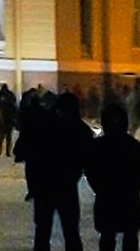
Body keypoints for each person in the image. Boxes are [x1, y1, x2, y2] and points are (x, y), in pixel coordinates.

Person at [25, 91, 93, 251]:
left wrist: (33, 184)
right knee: (68, 230)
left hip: (47, 185)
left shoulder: (44, 125)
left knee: (45, 229)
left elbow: (31, 156)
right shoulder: (79, 129)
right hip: (63, 186)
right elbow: (87, 158)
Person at [85, 101, 140, 251]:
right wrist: (132, 188)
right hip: (128, 199)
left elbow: (90, 169)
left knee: (107, 236)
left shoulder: (98, 146)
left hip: (106, 198)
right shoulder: (132, 145)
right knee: (129, 237)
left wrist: (100, 188)